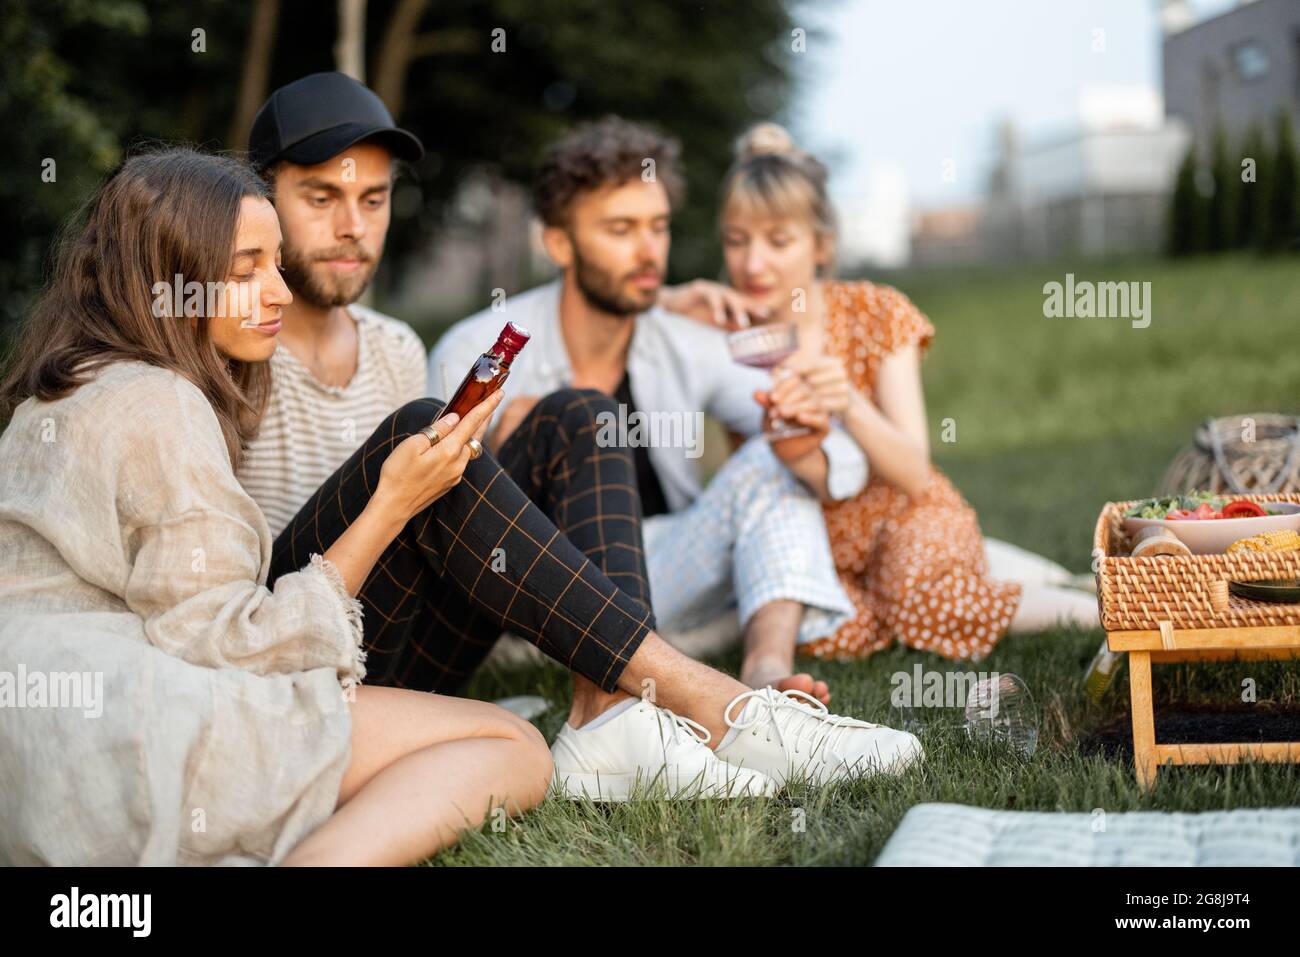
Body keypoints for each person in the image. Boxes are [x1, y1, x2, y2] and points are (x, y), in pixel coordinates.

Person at [240, 76, 923, 801]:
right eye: (322, 198)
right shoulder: (229, 349)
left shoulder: (396, 345)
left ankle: (613, 713)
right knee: (427, 424)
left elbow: (423, 539)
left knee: (585, 414)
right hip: (293, 644)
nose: (353, 226)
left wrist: (809, 417)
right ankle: (725, 706)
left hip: (416, 650)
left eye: (374, 200)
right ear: (260, 202)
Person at [0, 148, 551, 866]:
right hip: (122, 732)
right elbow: (233, 648)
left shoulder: (61, 391)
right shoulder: (160, 403)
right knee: (515, 745)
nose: (280, 293)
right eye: (244, 271)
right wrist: (393, 502)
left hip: (30, 734)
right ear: (169, 282)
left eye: (277, 264)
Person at [660, 123, 1100, 664]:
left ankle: (1091, 610)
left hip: (903, 513)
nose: (753, 264)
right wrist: (672, 299)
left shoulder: (874, 312)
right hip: (811, 538)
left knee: (921, 601)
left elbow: (914, 471)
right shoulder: (722, 330)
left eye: (778, 241)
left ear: (821, 245)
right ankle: (985, 575)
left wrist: (848, 402)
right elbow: (614, 309)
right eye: (736, 241)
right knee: (823, 632)